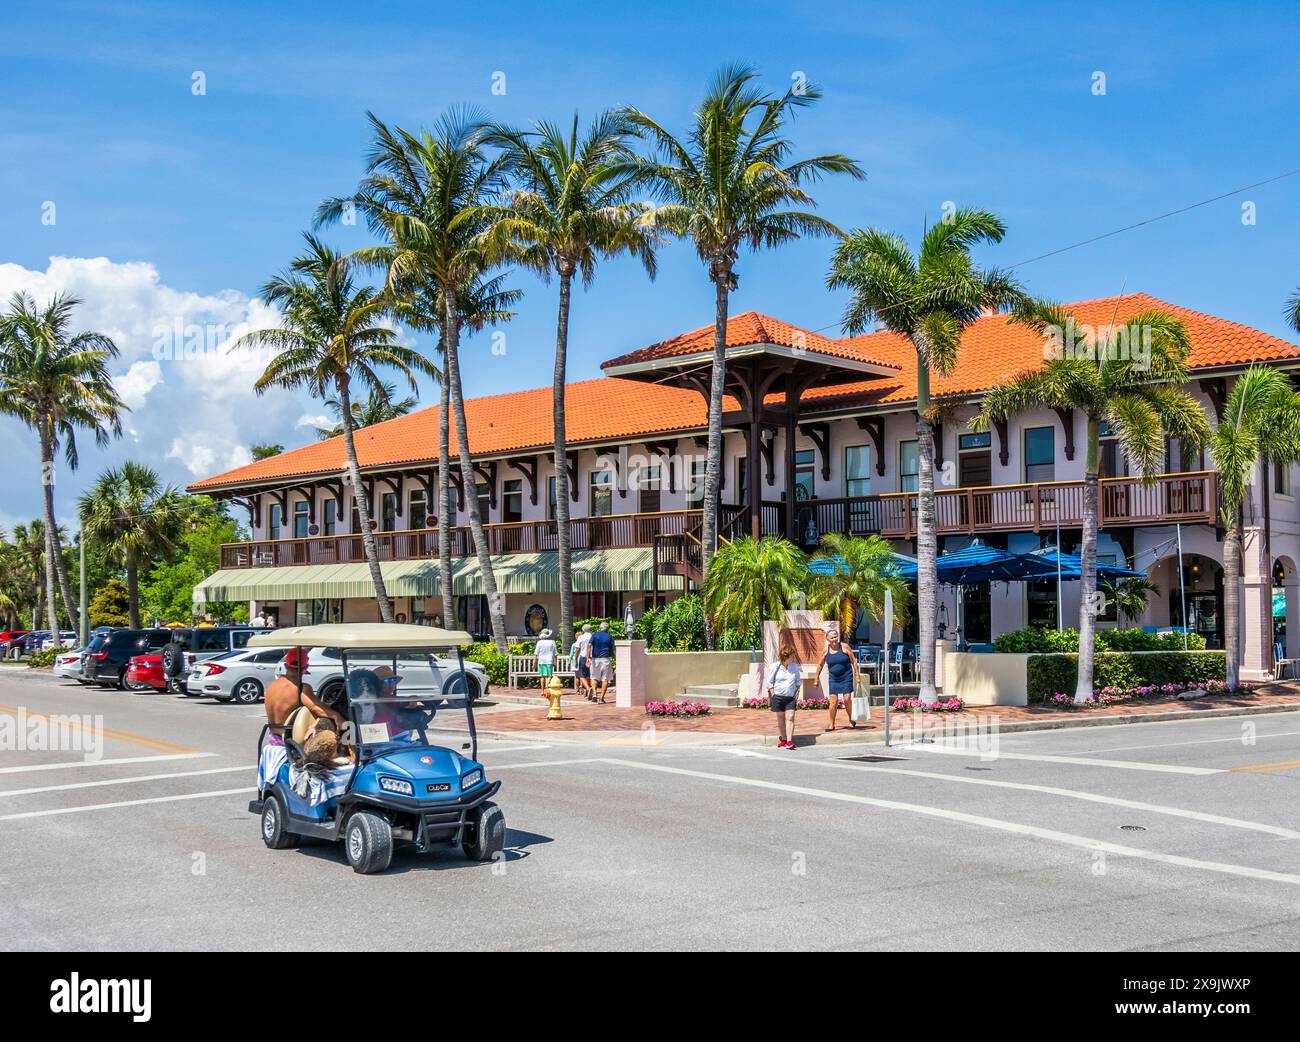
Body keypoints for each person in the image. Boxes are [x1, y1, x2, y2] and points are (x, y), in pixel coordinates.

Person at [816, 627, 860, 731]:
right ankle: (832, 724)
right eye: (832, 638)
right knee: (833, 701)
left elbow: (853, 661)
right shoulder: (825, 651)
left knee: (847, 699)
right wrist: (816, 678)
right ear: (827, 639)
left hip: (846, 676)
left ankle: (851, 720)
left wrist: (857, 675)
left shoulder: (845, 647)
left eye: (836, 637)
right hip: (834, 679)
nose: (834, 639)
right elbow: (820, 665)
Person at [766, 644, 802, 749]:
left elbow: (798, 682)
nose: (793, 658)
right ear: (786, 657)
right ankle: (784, 739)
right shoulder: (775, 667)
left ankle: (790, 742)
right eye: (792, 656)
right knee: (781, 719)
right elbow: (770, 682)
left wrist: (796, 693)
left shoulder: (794, 667)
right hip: (778, 697)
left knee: (790, 717)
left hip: (790, 697)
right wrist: (773, 694)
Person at [588, 621, 615, 704]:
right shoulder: (610, 637)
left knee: (593, 677)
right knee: (605, 679)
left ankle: (595, 694)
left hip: (595, 659)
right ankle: (601, 698)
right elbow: (613, 649)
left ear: (600, 628)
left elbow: (589, 645)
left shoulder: (594, 635)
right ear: (608, 629)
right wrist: (615, 657)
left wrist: (588, 656)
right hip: (605, 659)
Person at [571, 623, 593, 699]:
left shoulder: (581, 637)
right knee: (589, 675)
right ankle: (588, 691)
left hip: (583, 657)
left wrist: (576, 659)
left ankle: (588, 688)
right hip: (592, 657)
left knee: (582, 675)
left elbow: (577, 649)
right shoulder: (593, 636)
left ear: (583, 630)